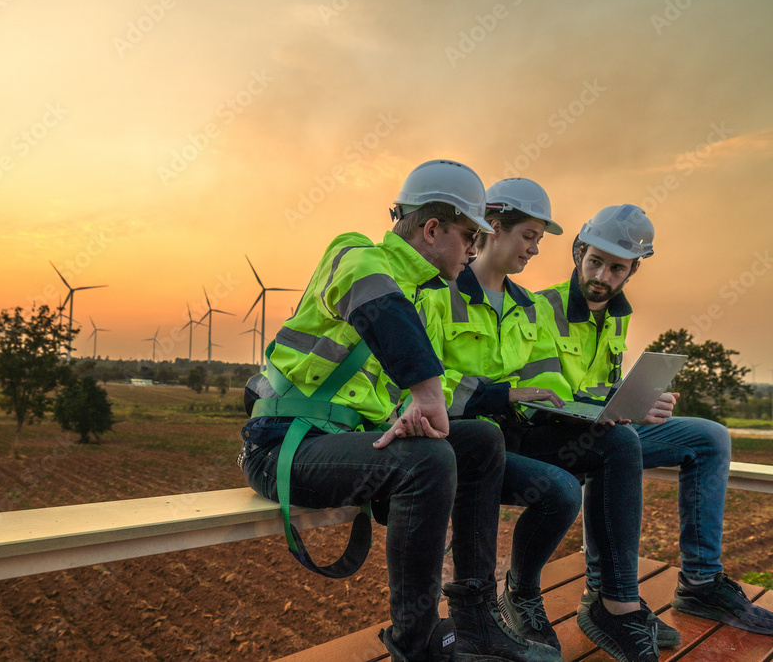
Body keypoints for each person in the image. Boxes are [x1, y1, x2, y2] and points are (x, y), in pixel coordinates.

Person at [240, 160, 554, 661]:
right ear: (432, 229)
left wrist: (406, 412)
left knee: (480, 441)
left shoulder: (419, 297)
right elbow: (375, 299)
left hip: (348, 444)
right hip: (283, 445)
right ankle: (418, 643)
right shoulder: (354, 254)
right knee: (428, 460)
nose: (476, 250)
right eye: (471, 235)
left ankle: (475, 619)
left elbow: (390, 376)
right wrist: (427, 393)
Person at [419, 179, 655, 661]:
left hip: (518, 435)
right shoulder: (440, 293)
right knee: (562, 489)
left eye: (539, 241)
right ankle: (512, 599)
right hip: (460, 439)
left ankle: (618, 604)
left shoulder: (529, 308)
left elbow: (548, 387)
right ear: (495, 227)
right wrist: (503, 394)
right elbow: (422, 383)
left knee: (619, 442)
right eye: (528, 237)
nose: (534, 249)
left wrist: (594, 410)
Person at [538, 204, 773, 639]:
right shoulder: (540, 308)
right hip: (559, 440)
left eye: (617, 268)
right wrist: (620, 404)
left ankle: (701, 585)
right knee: (617, 445)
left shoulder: (617, 316)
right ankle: (604, 591)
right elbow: (543, 397)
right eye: (595, 262)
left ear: (633, 270)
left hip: (607, 426)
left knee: (710, 437)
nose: (603, 277)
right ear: (577, 252)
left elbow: (603, 387)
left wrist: (639, 398)